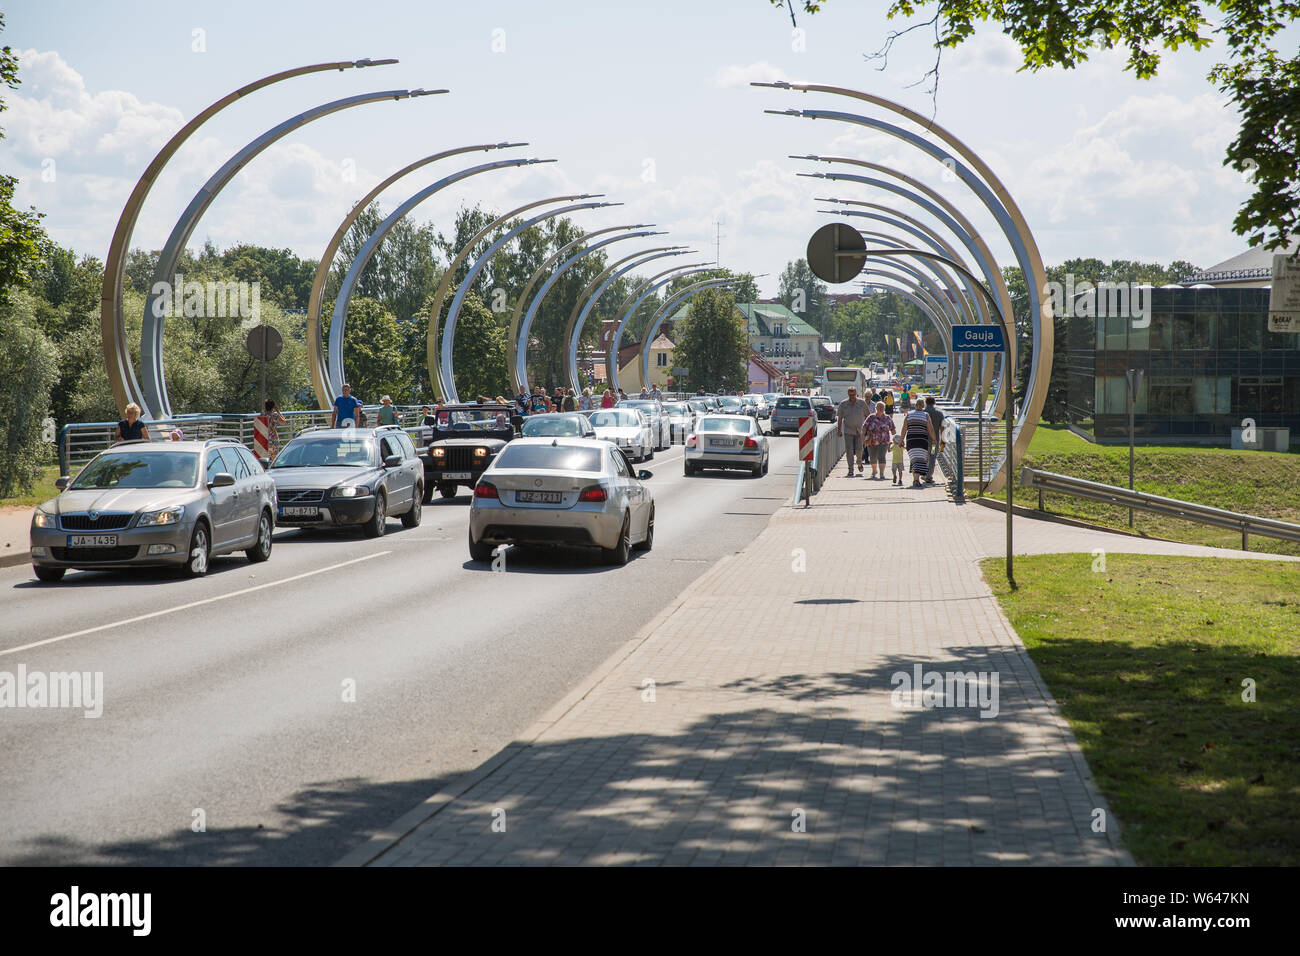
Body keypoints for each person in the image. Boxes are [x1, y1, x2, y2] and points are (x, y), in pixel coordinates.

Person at [835, 386, 868, 478]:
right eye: (850, 395)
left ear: (856, 394)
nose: (852, 396)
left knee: (859, 449)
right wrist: (839, 430)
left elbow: (868, 416)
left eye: (853, 394)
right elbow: (840, 418)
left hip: (860, 430)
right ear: (848, 394)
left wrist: (868, 430)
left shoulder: (861, 403)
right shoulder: (843, 404)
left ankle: (859, 462)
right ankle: (850, 470)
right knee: (849, 451)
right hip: (848, 430)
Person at [903, 400, 938, 486]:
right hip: (922, 440)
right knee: (920, 460)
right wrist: (934, 439)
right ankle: (916, 480)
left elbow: (904, 429)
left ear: (915, 405)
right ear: (923, 406)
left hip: (911, 441)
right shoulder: (925, 415)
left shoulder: (909, 415)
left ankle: (915, 479)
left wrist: (901, 440)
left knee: (914, 460)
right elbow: (930, 429)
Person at [863, 401, 896, 480]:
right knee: (873, 457)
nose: (881, 409)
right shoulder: (871, 417)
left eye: (882, 407)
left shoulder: (887, 418)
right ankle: (874, 471)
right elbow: (864, 427)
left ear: (884, 408)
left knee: (881, 456)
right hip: (872, 440)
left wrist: (892, 431)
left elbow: (893, 429)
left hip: (884, 441)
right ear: (876, 408)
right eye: (879, 407)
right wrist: (863, 437)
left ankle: (882, 473)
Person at [924, 396, 945, 484]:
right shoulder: (939, 413)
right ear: (934, 403)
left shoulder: (922, 412)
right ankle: (929, 476)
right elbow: (942, 427)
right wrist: (942, 439)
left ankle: (922, 473)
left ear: (926, 403)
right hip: (934, 441)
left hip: (923, 440)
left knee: (925, 457)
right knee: (932, 457)